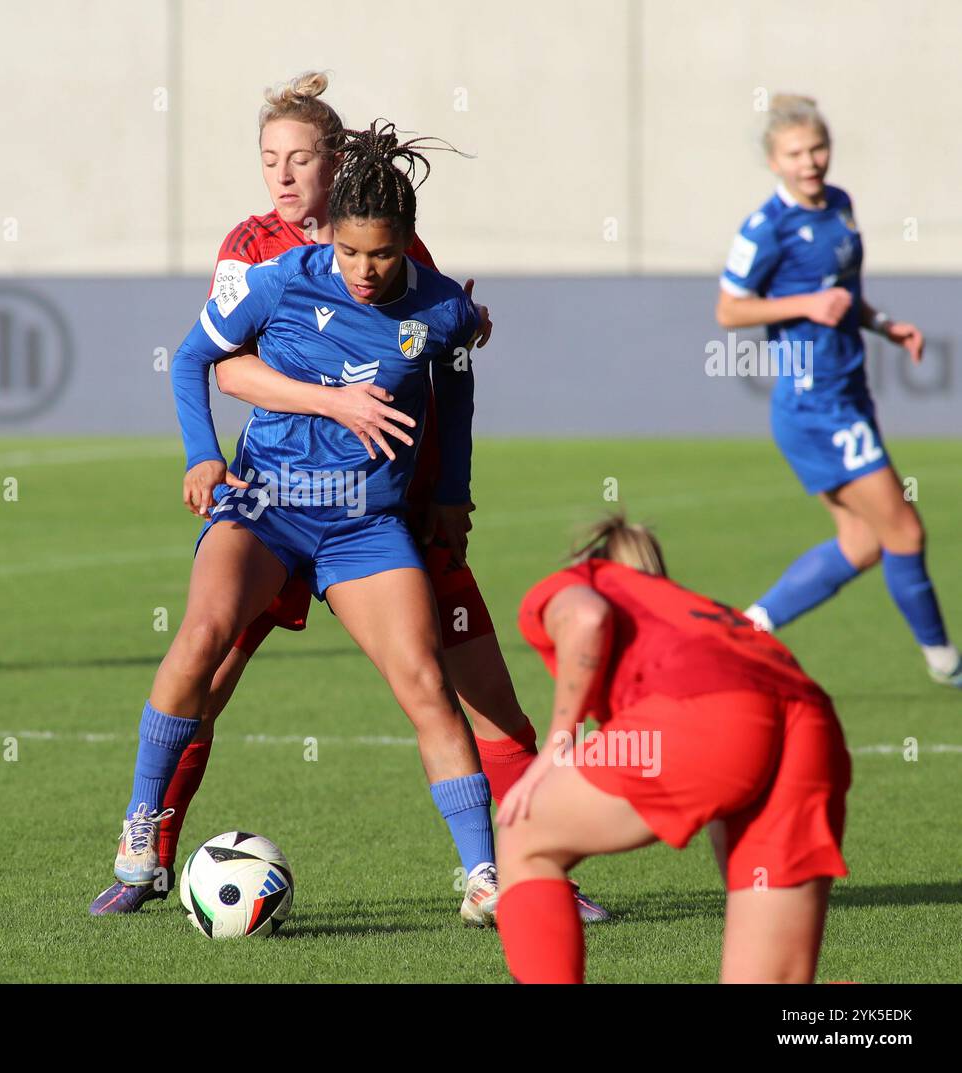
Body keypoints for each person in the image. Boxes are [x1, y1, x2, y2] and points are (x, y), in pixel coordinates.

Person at [94, 73, 611, 923]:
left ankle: (497, 875)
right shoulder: (273, 268)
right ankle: (143, 837)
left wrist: (451, 492)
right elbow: (203, 359)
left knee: (438, 685)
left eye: (382, 254)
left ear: (400, 233)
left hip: (372, 524)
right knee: (203, 644)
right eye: (271, 160)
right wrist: (202, 455)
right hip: (267, 506)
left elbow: (458, 390)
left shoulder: (437, 301)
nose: (366, 272)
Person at [495, 515, 852, 983]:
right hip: (811, 722)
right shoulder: (690, 607)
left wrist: (560, 743)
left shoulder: (580, 580)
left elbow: (587, 616)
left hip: (704, 714)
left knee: (523, 834)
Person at [716, 94, 959, 687]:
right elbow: (728, 310)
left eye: (817, 148)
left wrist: (882, 324)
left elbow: (843, 289)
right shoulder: (766, 227)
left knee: (862, 542)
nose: (810, 161)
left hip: (847, 394)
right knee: (904, 530)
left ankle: (741, 634)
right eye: (795, 153)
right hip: (815, 403)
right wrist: (807, 305)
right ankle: (948, 666)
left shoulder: (840, 206)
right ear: (773, 161)